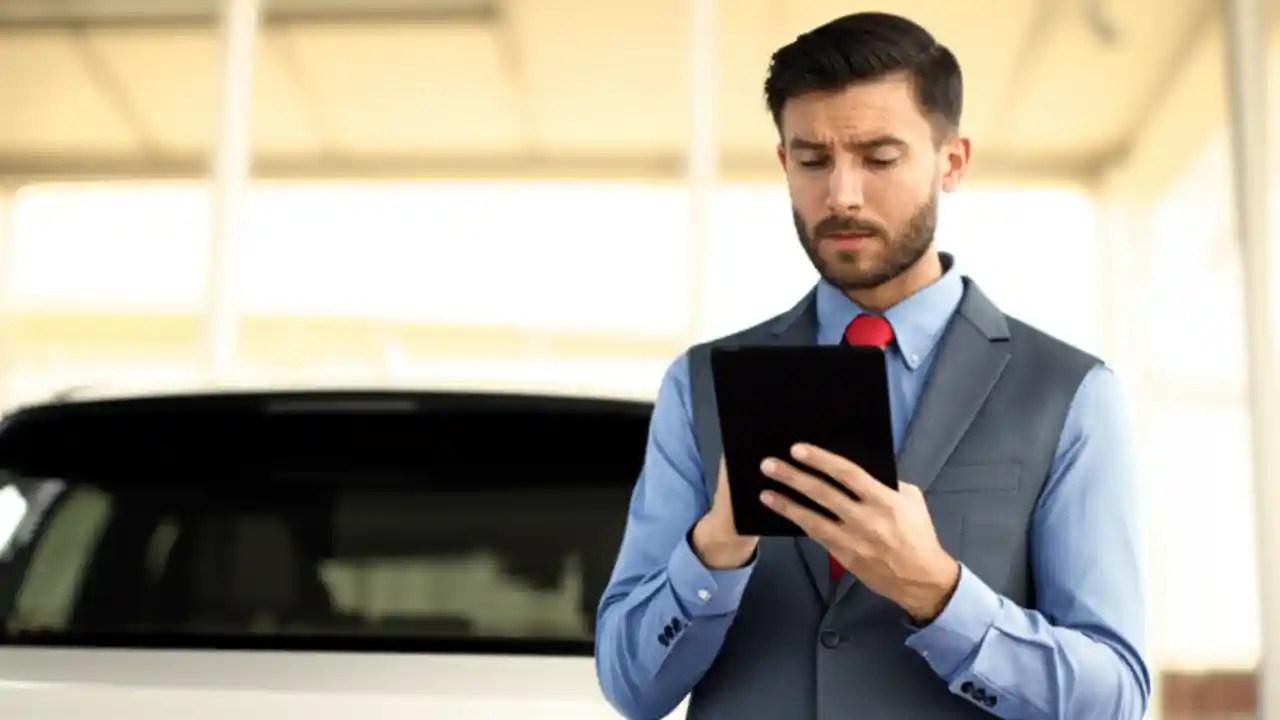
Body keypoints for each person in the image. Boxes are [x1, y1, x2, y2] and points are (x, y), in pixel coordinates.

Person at [593, 11, 1150, 720]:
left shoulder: (1072, 394)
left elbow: (1117, 700)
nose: (842, 196)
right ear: (783, 163)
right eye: (813, 160)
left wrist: (937, 591)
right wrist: (715, 547)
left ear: (952, 162)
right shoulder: (698, 386)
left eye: (879, 159)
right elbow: (630, 689)